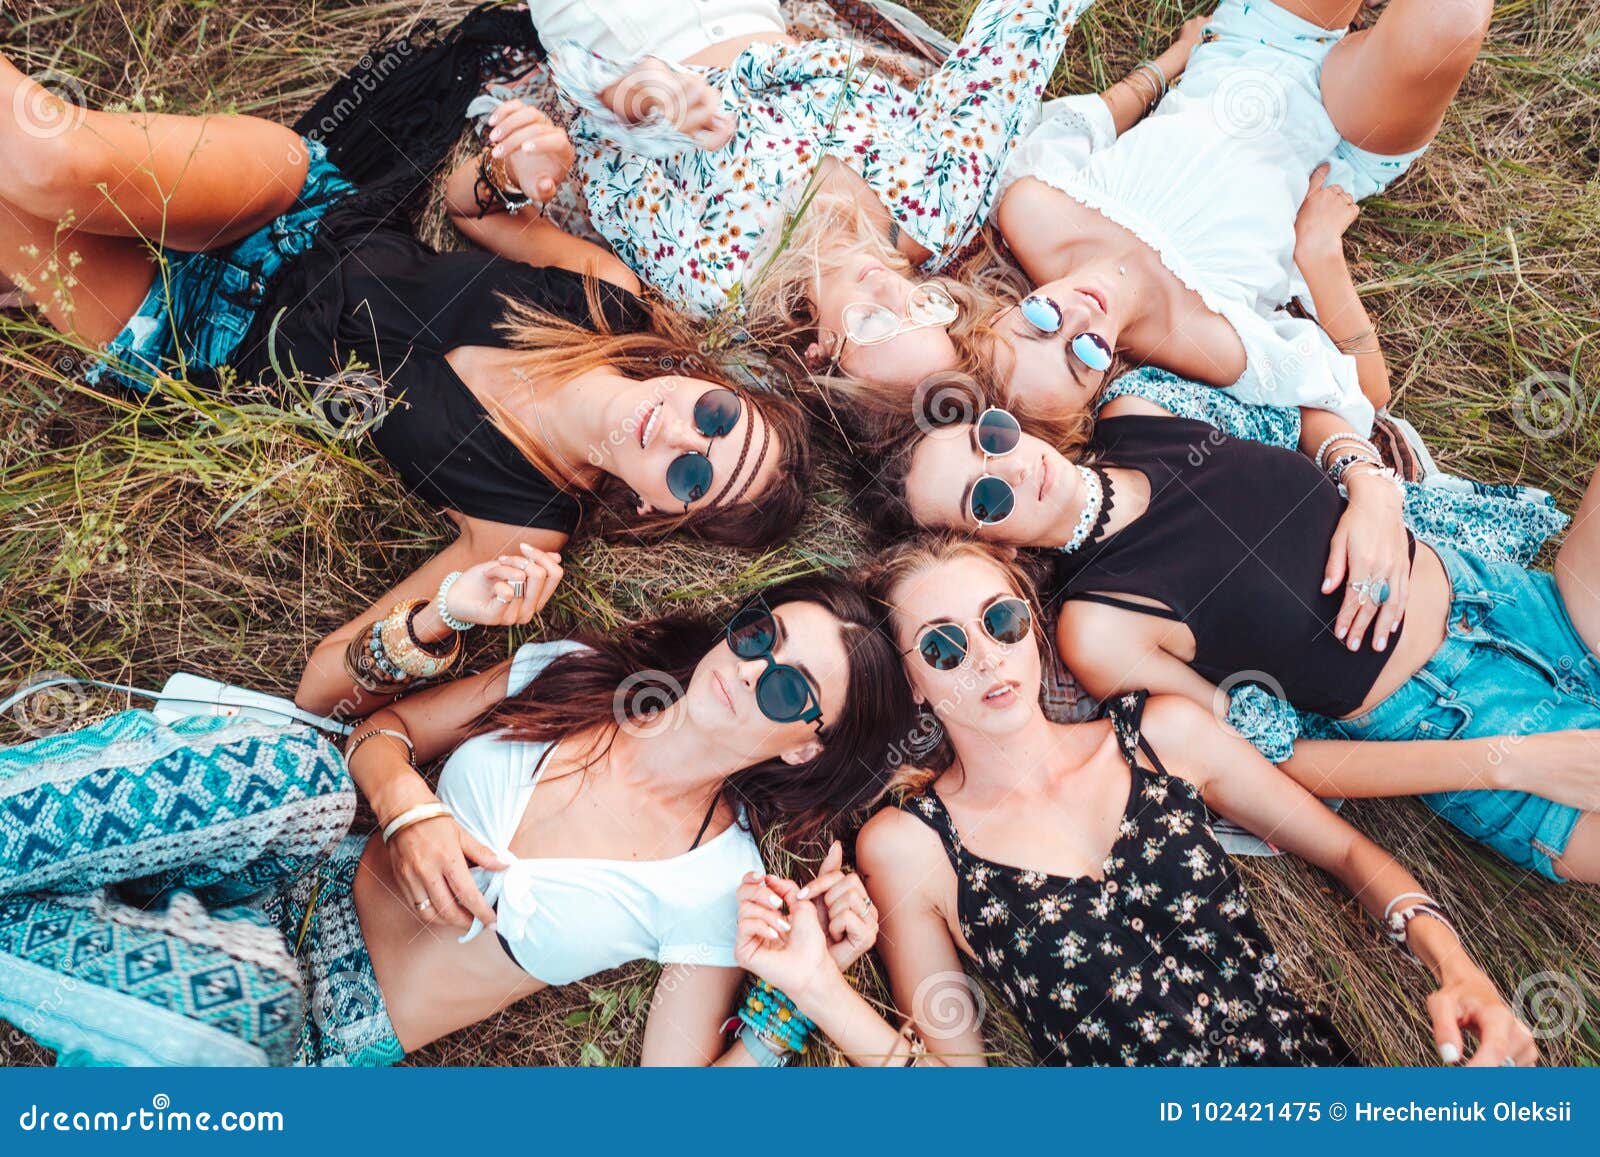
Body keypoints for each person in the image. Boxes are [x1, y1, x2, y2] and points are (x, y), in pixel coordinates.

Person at [0, 49, 813, 723]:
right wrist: (515, 173)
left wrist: (448, 614)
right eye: (716, 417)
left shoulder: (523, 526)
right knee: (48, 159)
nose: (680, 436)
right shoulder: (607, 299)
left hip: (194, 338)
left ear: (653, 509)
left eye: (693, 476)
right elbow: (472, 210)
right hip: (292, 210)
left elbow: (322, 689)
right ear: (703, 380)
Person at [0, 572, 911, 1066]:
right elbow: (380, 732)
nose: (751, 667)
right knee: (294, 770)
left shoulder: (715, 885)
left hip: (299, 1020)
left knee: (246, 1020)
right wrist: (405, 807)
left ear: (804, 746)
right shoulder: (579, 672)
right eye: (760, 634)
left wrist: (794, 992)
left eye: (789, 685)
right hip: (268, 854)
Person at [728, 537, 1535, 1066]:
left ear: (1033, 628)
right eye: (943, 645)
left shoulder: (1164, 735)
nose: (985, 656)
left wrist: (1458, 966)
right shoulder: (910, 846)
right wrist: (818, 989)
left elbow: (1346, 852)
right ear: (912, 681)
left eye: (1000, 620)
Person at [876, 401, 1600, 884]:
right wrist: (1510, 763)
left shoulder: (1135, 415)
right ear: (987, 552)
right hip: (1461, 720)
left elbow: (1308, 406)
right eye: (986, 497)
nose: (1009, 466)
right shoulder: (1100, 622)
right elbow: (1273, 764)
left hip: (1519, 596)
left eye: (989, 439)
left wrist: (1371, 490)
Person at [488, 0, 1099, 403]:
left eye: (874, 323)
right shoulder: (937, 206)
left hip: (617, 25)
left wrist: (650, 102)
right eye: (922, 309)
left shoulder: (720, 283)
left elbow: (588, 129)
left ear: (821, 352)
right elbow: (1010, 55)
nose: (888, 289)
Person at [981, 0, 1490, 437]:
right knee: (1450, 22)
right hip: (1338, 133)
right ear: (1100, 382)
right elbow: (1367, 392)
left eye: (1039, 322)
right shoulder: (1205, 346)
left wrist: (1175, 59)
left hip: (1246, 47)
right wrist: (1318, 253)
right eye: (1083, 355)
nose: (1076, 318)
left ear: (1001, 314)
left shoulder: (1030, 211)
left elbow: (1091, 123)